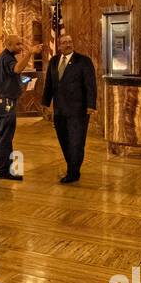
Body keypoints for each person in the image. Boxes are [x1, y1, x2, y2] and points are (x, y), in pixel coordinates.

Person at [41, 33, 97, 184]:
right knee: (64, 140)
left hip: (79, 110)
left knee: (76, 142)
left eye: (70, 41)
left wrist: (91, 105)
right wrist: (45, 103)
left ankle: (73, 172)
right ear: (59, 46)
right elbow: (49, 84)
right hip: (60, 110)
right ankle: (72, 166)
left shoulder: (83, 61)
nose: (68, 44)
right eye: (64, 42)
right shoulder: (54, 61)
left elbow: (90, 85)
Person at [0, 33, 40, 180]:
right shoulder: (7, 58)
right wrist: (30, 53)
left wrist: (21, 81)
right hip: (6, 103)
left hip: (0, 102)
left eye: (21, 43)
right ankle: (3, 170)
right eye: (17, 44)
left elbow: (11, 76)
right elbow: (17, 69)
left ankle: (2, 164)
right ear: (8, 45)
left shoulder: (3, 57)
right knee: (6, 137)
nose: (20, 46)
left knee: (4, 135)